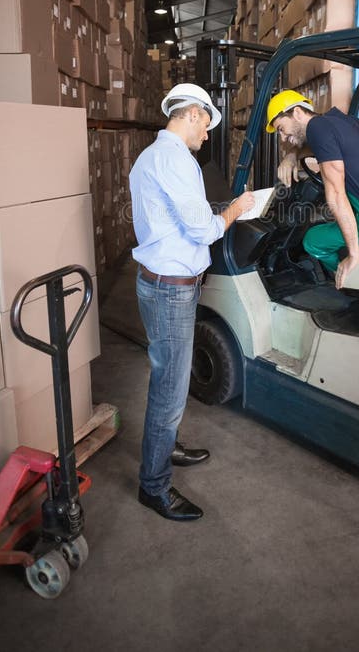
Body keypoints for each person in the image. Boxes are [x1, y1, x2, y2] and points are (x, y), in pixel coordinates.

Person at [130, 83, 255, 522]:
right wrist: (237, 208)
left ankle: (166, 447)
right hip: (171, 290)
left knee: (168, 379)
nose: (207, 133)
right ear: (194, 114)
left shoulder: (150, 157)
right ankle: (154, 486)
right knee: (170, 387)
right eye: (207, 124)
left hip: (160, 283)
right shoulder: (177, 159)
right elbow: (204, 230)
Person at [265, 90, 359, 290]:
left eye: (282, 129)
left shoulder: (317, 129)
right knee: (329, 222)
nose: (283, 138)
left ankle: (348, 286)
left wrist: (353, 254)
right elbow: (320, 148)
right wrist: (292, 155)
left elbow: (336, 195)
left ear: (297, 113)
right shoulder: (338, 122)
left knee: (313, 240)